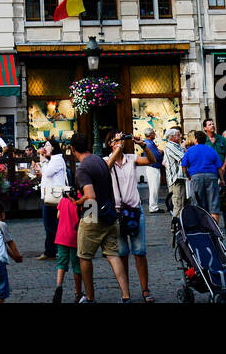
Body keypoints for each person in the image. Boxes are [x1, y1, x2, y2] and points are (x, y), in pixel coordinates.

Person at [69, 130, 130, 303]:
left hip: (91, 213)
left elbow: (90, 196)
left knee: (84, 256)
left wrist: (77, 202)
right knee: (113, 254)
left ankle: (89, 297)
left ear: (73, 149)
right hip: (109, 213)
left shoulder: (82, 169)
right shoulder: (99, 160)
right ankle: (126, 295)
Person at [105, 131, 155, 302]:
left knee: (140, 252)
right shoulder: (106, 160)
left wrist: (143, 145)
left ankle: (145, 290)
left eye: (121, 140)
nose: (120, 142)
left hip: (135, 211)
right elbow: (106, 168)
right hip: (117, 214)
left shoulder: (131, 158)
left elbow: (151, 160)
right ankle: (125, 291)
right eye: (116, 140)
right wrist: (117, 149)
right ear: (110, 143)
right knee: (122, 254)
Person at [35, 140, 68, 259]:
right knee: (49, 224)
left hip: (55, 197)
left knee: (51, 224)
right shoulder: (52, 160)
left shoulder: (57, 159)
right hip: (49, 196)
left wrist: (43, 163)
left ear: (53, 148)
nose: (45, 147)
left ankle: (55, 250)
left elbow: (48, 173)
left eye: (47, 145)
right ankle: (50, 250)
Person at [181, 131, 223, 224]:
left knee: (197, 202)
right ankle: (215, 228)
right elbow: (219, 167)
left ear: (195, 140)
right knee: (213, 202)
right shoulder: (211, 149)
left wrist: (188, 175)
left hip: (196, 176)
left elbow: (184, 166)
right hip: (211, 176)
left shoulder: (190, 151)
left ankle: (200, 226)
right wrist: (222, 179)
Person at [52, 186, 83, 303]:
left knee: (61, 263)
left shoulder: (63, 200)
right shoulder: (80, 201)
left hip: (61, 237)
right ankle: (78, 293)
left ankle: (59, 286)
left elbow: (58, 216)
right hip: (75, 237)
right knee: (76, 266)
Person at [203, 118, 226, 229]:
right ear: (205, 128)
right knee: (210, 196)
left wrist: (224, 166)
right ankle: (211, 222)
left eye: (213, 124)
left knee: (225, 195)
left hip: (222, 171)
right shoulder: (204, 141)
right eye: (209, 124)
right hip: (209, 172)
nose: (212, 126)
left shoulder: (221, 139)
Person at [139, 128, 165, 213]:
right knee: (154, 188)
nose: (155, 135)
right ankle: (153, 207)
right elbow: (156, 156)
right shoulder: (149, 144)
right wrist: (160, 153)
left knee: (154, 188)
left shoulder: (149, 143)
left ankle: (154, 206)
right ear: (150, 135)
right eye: (154, 133)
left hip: (153, 167)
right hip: (153, 167)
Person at [163, 128, 188, 215]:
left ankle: (180, 225)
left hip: (180, 178)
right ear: (172, 137)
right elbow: (183, 157)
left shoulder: (176, 145)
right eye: (178, 135)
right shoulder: (170, 146)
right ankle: (175, 226)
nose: (180, 137)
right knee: (178, 204)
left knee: (181, 203)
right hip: (176, 178)